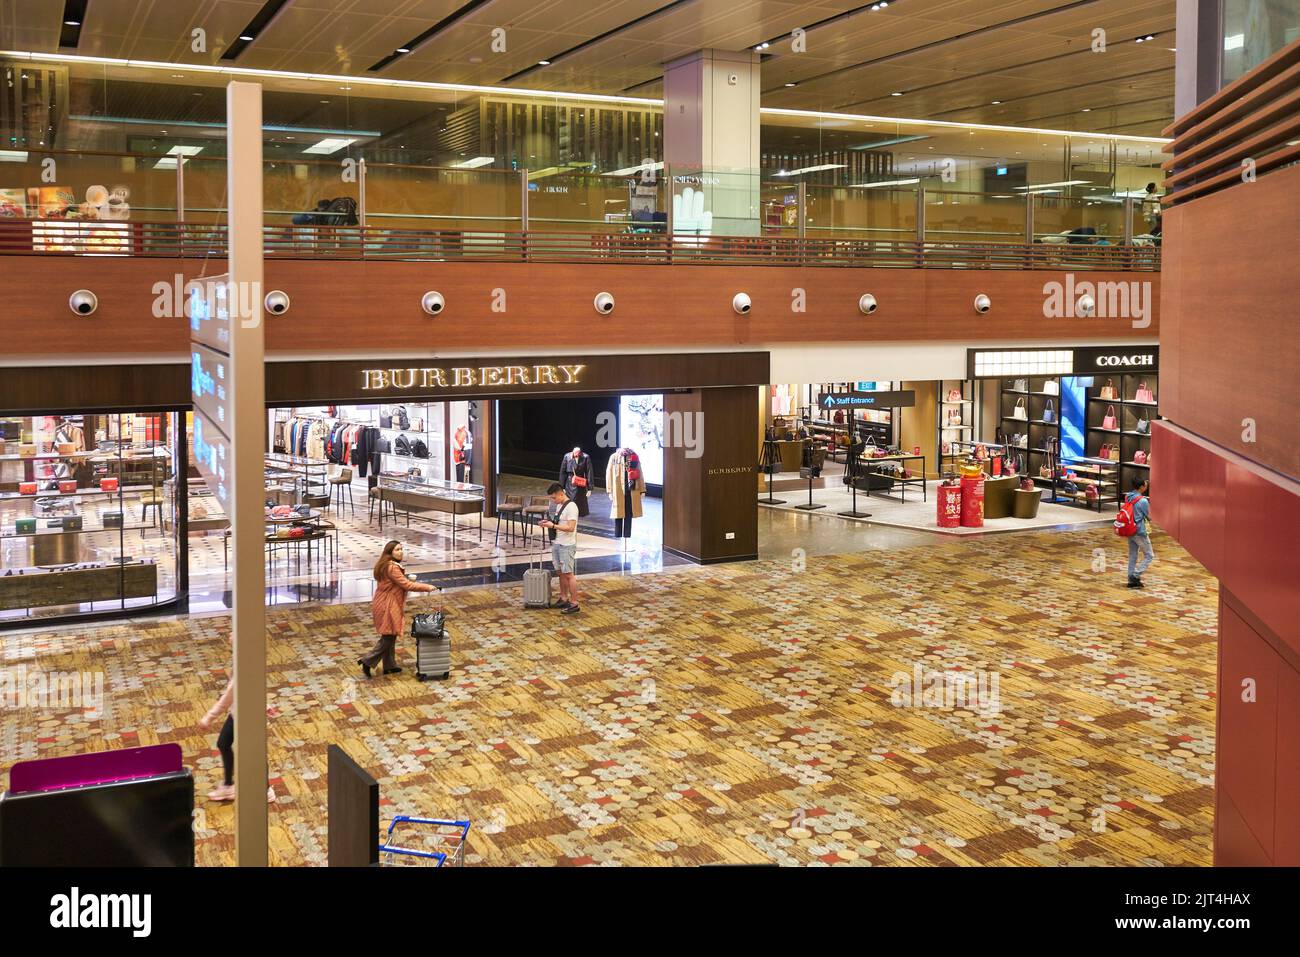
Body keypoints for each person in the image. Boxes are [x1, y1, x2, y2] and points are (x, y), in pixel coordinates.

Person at [197, 641, 276, 803]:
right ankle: (229, 785)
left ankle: (265, 789)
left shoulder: (244, 666)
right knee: (224, 744)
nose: (230, 636)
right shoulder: (243, 660)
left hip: (247, 718)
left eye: (233, 634)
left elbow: (227, 698)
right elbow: (253, 689)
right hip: (238, 713)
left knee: (254, 753)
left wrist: (208, 718)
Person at [359, 540, 436, 676]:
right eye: (397, 549)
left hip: (383, 601)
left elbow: (398, 584)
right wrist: (427, 587)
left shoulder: (385, 564)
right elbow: (407, 585)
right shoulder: (392, 567)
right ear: (390, 552)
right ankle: (367, 660)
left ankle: (389, 665)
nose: (400, 552)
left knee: (390, 633)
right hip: (388, 603)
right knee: (388, 636)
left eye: (401, 549)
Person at [539, 481, 580, 615]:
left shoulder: (572, 507)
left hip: (567, 545)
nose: (553, 500)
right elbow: (558, 522)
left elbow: (570, 527)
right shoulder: (560, 505)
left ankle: (574, 603)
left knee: (569, 574)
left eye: (553, 497)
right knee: (560, 572)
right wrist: (549, 523)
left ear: (561, 494)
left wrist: (553, 526)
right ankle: (563, 598)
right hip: (557, 542)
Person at [1125, 476, 1155, 588]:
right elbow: (1148, 516)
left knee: (1133, 554)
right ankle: (1136, 575)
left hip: (1129, 529)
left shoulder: (1128, 497)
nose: (1146, 486)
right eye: (1145, 485)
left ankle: (1131, 580)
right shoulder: (1143, 501)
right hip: (1139, 531)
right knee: (1149, 555)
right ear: (1141, 487)